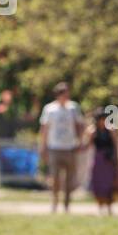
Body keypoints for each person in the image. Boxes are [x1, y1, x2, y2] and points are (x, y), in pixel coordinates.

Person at [39, 82, 85, 213]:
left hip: (70, 147)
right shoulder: (49, 109)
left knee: (70, 179)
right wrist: (43, 146)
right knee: (55, 178)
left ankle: (67, 205)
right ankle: (54, 202)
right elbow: (44, 129)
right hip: (54, 147)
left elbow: (80, 125)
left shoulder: (73, 107)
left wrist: (80, 142)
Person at [84, 108, 118, 215]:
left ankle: (110, 207)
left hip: (109, 161)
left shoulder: (111, 131)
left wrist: (117, 161)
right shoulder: (92, 131)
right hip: (98, 160)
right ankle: (100, 207)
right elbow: (87, 146)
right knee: (98, 184)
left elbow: (116, 146)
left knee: (109, 184)